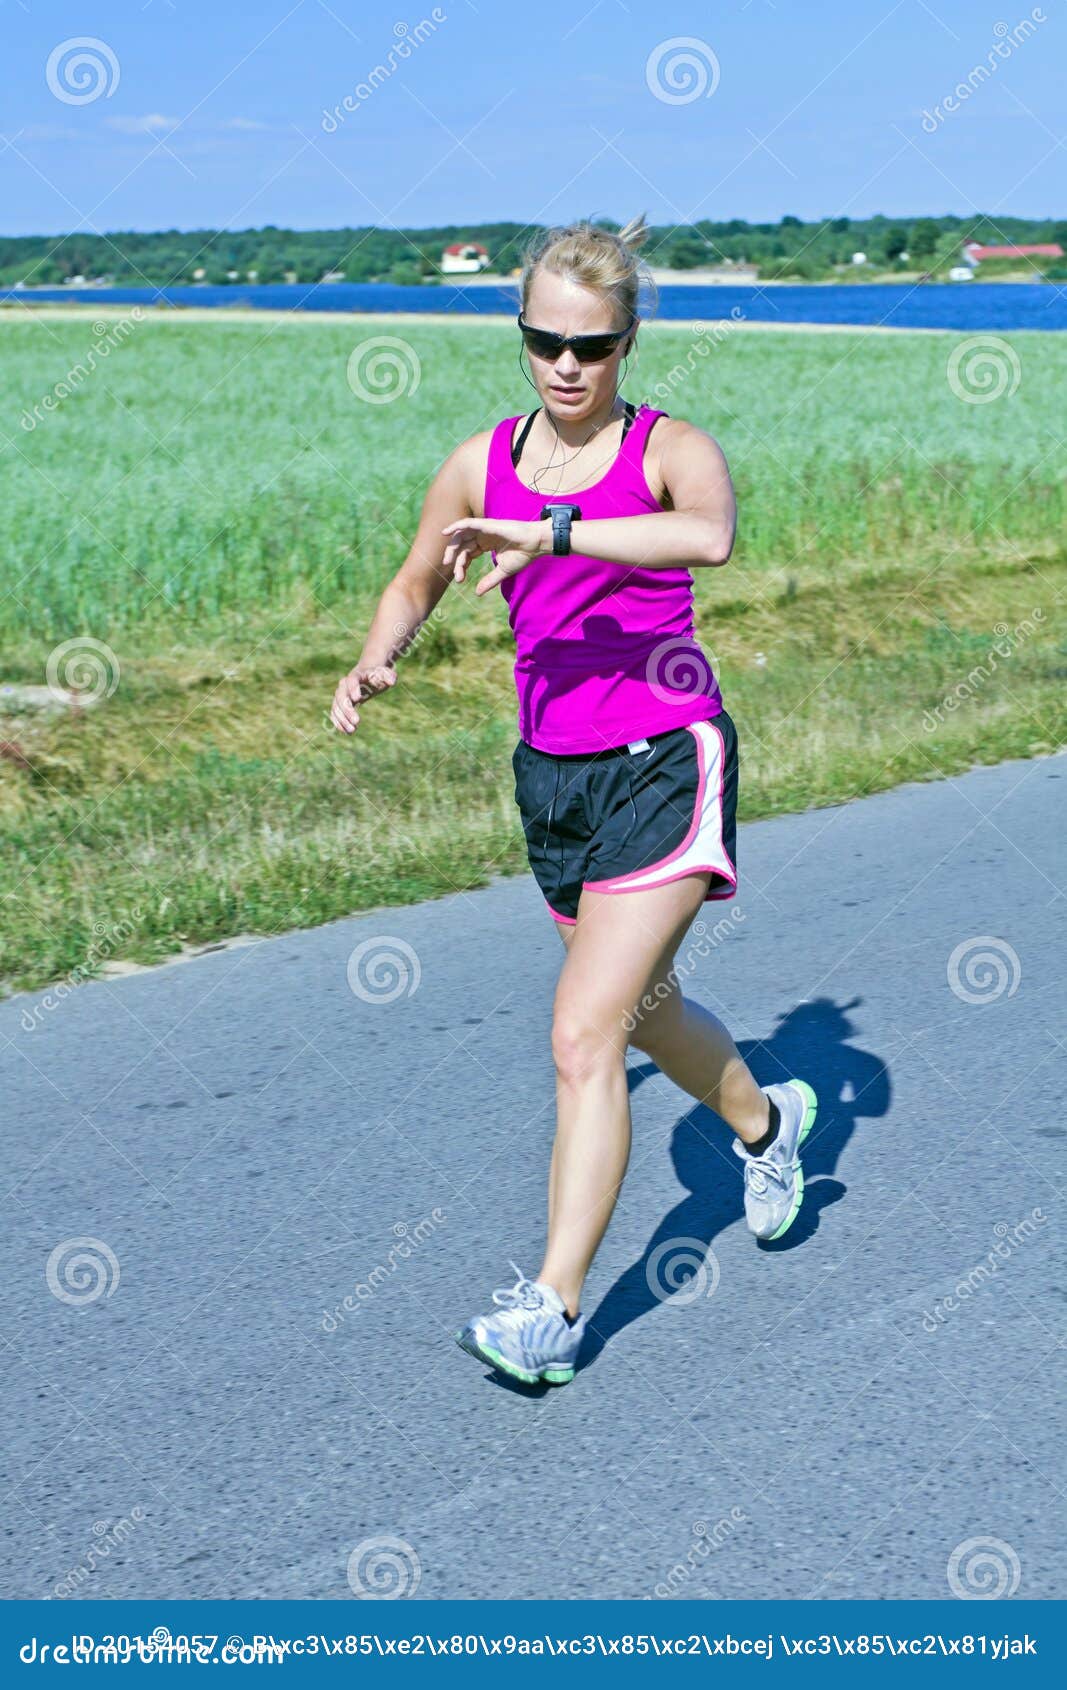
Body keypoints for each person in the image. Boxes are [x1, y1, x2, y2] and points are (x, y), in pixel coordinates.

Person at [330, 216, 816, 1387]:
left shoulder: (665, 448)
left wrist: (549, 532)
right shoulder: (480, 458)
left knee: (578, 1032)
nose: (563, 365)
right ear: (520, 335)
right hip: (552, 777)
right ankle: (765, 1123)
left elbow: (707, 535)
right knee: (643, 1010)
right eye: (542, 339)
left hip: (664, 753)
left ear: (626, 344)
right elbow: (418, 572)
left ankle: (548, 1308)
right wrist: (377, 653)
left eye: (589, 347)